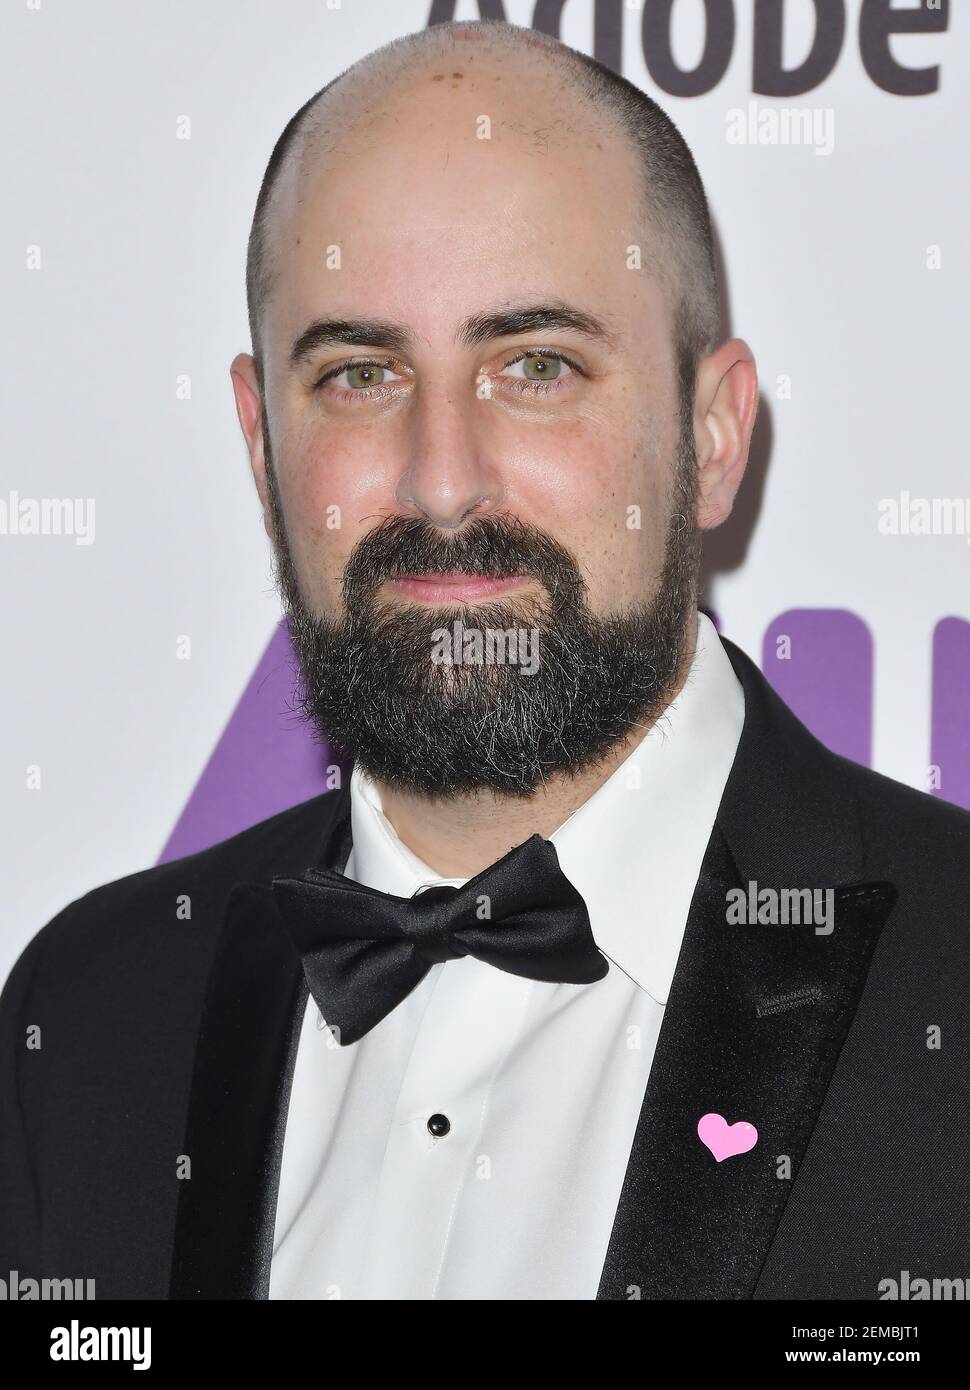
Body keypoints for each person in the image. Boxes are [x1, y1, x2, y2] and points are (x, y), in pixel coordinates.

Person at [2, 18, 968, 1303]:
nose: (442, 482)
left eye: (536, 365)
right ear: (258, 443)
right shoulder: (89, 1013)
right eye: (358, 374)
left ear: (715, 432)